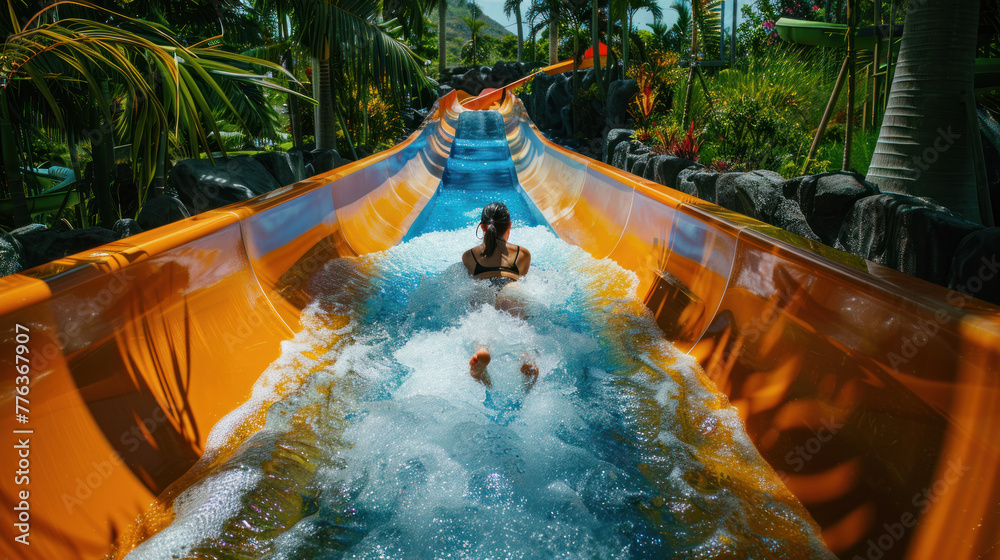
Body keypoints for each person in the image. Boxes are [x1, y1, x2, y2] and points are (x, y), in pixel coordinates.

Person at [461, 202, 538, 388]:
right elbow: (524, 280)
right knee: (519, 322)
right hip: (511, 288)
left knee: (480, 317)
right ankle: (525, 355)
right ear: (509, 225)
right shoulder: (522, 254)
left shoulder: (469, 256)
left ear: (483, 227)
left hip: (483, 286)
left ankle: (482, 348)